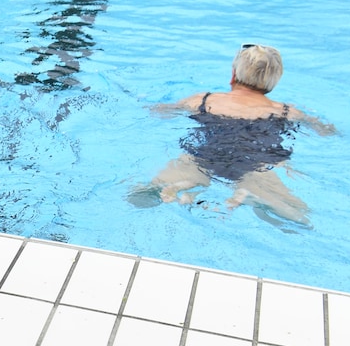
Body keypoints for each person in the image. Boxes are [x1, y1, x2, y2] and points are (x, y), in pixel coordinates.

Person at [135, 44, 335, 224]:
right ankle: (251, 195)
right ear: (273, 83)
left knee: (142, 194)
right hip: (255, 163)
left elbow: (160, 112)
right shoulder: (286, 111)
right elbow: (326, 132)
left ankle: (185, 183)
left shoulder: (204, 99)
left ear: (233, 75)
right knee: (300, 217)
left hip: (205, 156)